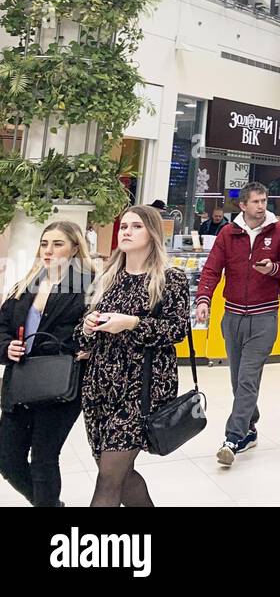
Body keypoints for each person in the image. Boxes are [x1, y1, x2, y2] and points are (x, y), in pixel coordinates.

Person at [77, 206, 189, 507]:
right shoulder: (108, 277)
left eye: (136, 226)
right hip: (100, 386)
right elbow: (81, 334)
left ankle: (89, 553)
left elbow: (177, 330)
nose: (126, 231)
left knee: (108, 479)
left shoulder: (170, 279)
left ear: (152, 233)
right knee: (117, 473)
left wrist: (132, 323)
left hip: (143, 389)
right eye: (123, 226)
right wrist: (88, 328)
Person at [195, 181, 280, 468]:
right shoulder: (229, 233)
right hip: (232, 317)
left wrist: (274, 269)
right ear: (242, 205)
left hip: (265, 317)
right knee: (237, 380)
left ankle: (233, 438)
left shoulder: (278, 230)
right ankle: (251, 426)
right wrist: (203, 299)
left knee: (247, 378)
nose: (261, 206)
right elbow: (213, 269)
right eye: (255, 201)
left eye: (264, 200)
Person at [0, 221, 95, 507]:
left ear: (75, 248)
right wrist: (7, 346)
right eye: (44, 244)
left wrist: (86, 348)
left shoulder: (88, 285)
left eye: (57, 244)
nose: (48, 251)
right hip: (22, 382)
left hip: (60, 385)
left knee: (43, 459)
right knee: (7, 458)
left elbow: (95, 329)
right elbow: (2, 324)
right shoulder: (28, 282)